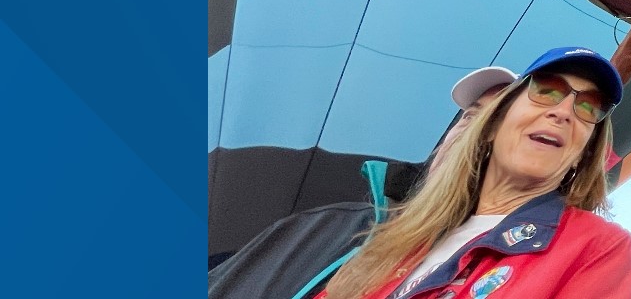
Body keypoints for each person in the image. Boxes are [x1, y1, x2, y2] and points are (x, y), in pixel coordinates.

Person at [320, 47, 631, 299]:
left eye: (588, 107)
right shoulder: (401, 240)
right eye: (547, 90)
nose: (563, 112)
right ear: (491, 126)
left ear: (581, 156)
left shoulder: (595, 248)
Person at [209, 65, 518, 299]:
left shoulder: (514, 271)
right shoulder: (326, 225)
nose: (472, 134)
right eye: (469, 117)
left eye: (495, 125)